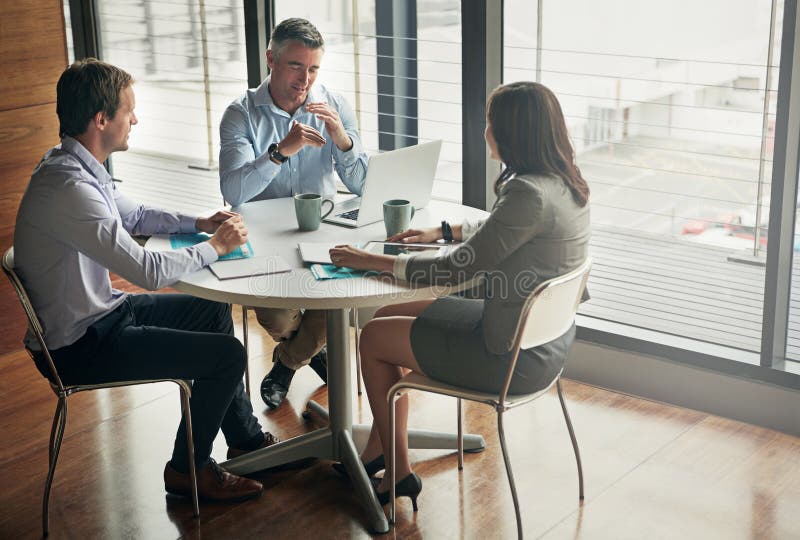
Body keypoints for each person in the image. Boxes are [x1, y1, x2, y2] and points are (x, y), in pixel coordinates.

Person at [14, 58, 281, 504]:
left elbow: (136, 215)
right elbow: (148, 272)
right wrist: (216, 246)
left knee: (211, 308)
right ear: (102, 119)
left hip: (103, 313)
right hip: (80, 345)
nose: (135, 119)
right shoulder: (70, 190)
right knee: (228, 356)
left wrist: (199, 222)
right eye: (128, 110)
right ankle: (187, 469)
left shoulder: (75, 166)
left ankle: (245, 441)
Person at [328, 82, 591, 507]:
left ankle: (399, 473)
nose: (485, 132)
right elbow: (504, 229)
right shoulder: (561, 184)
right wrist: (444, 230)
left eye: (490, 123)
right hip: (543, 345)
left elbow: (459, 267)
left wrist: (374, 261)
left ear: (512, 132)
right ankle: (380, 450)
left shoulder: (527, 192)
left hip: (508, 359)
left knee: (373, 339)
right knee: (383, 317)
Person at [219, 17, 368, 410]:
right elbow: (233, 192)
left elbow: (363, 186)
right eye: (296, 66)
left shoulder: (334, 105)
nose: (305, 80)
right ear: (271, 59)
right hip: (264, 241)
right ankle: (311, 350)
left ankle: (286, 364)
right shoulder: (241, 114)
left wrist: (343, 141)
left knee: (339, 303)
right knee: (282, 320)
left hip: (324, 235)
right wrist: (279, 152)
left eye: (314, 68)